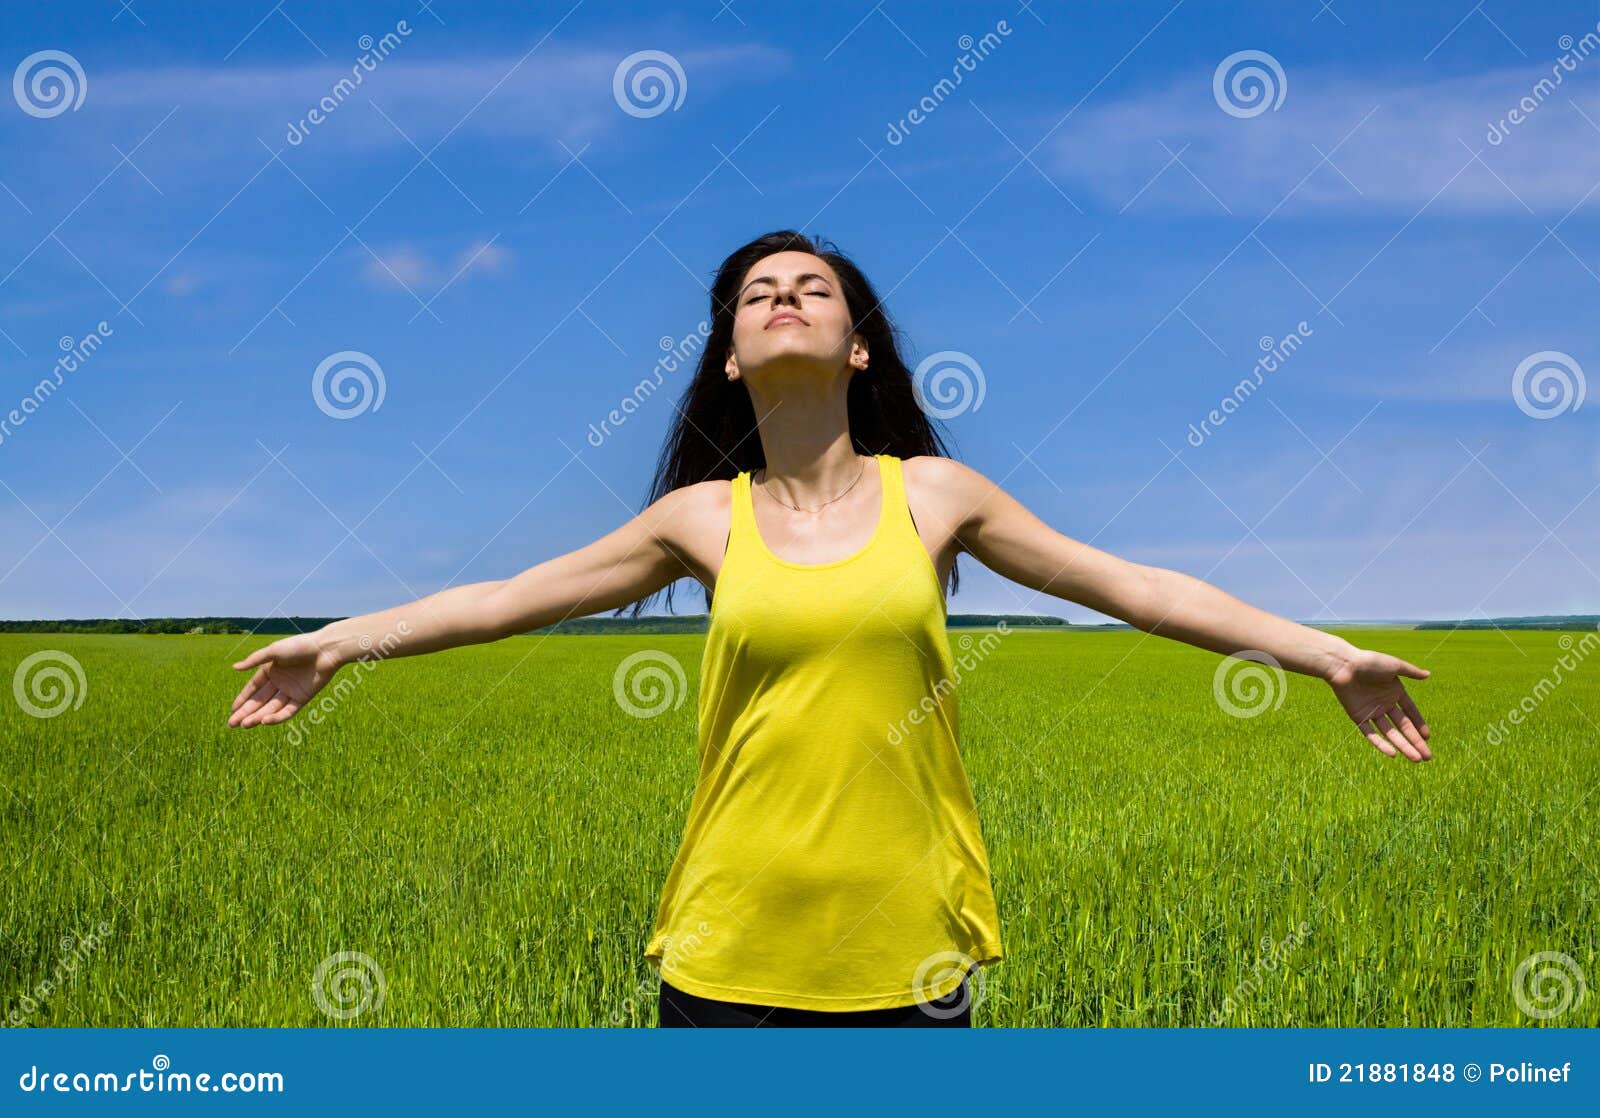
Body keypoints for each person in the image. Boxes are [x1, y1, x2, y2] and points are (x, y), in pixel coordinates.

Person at [226, 229, 1433, 1028]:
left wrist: (1324, 652)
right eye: (757, 295)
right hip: (724, 948)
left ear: (856, 347)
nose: (782, 299)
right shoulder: (700, 516)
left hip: (906, 953)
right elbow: (499, 600)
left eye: (811, 288)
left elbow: (1134, 586)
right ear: (733, 356)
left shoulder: (934, 495)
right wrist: (341, 639)